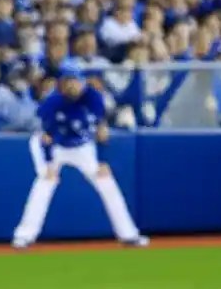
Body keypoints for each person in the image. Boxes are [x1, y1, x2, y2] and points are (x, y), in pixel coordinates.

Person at [11, 60, 150, 249]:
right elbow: (43, 138)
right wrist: (47, 166)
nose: (72, 85)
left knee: (106, 183)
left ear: (82, 80)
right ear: (61, 83)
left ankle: (129, 235)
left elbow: (101, 133)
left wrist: (103, 159)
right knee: (44, 184)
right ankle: (24, 236)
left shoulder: (93, 98)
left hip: (84, 147)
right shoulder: (52, 103)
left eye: (75, 80)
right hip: (57, 147)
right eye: (67, 80)